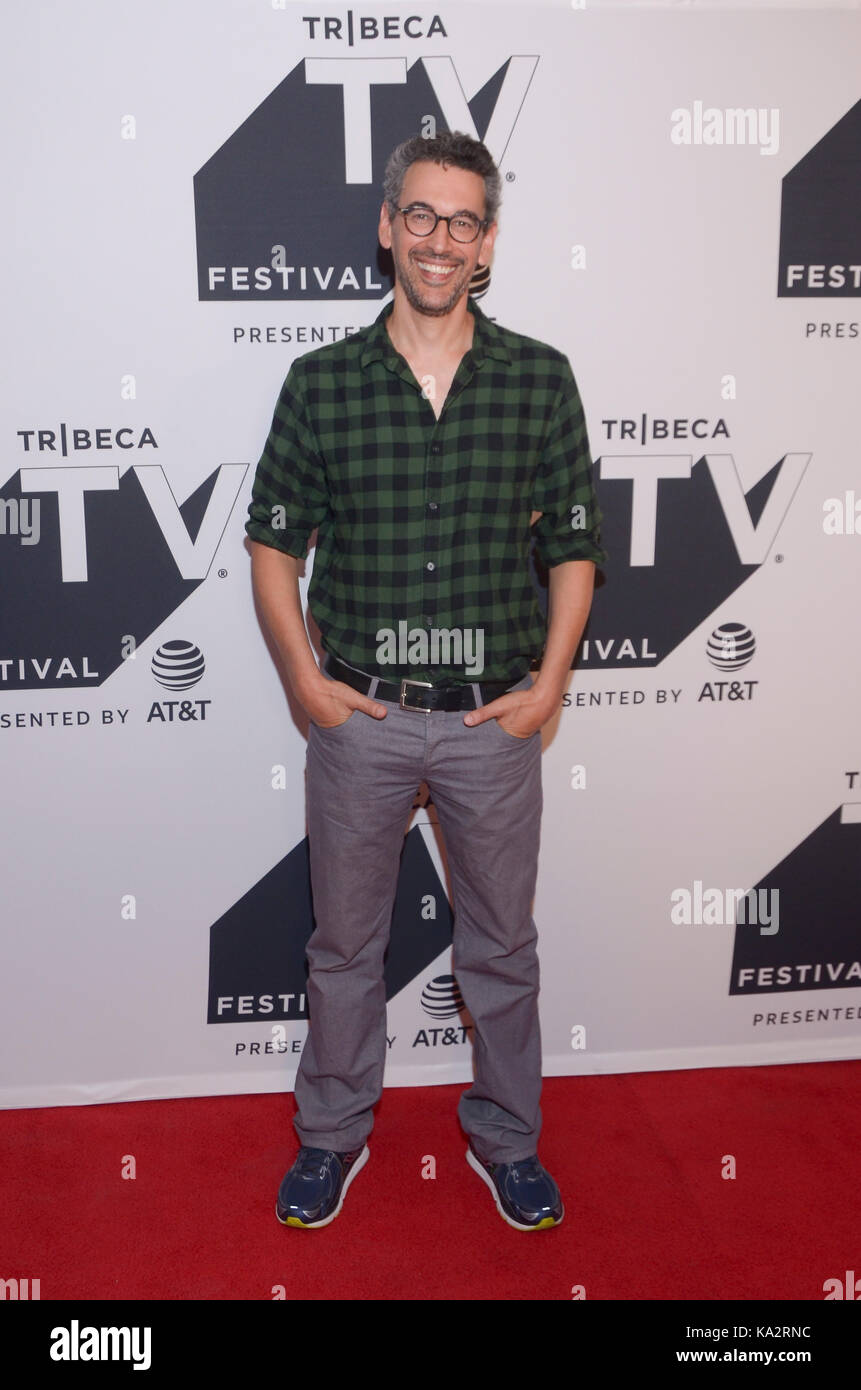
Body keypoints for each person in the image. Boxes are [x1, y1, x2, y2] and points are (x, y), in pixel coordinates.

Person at [245, 130, 606, 1232]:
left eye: (462, 221)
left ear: (487, 241)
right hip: (361, 715)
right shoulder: (321, 383)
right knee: (345, 946)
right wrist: (306, 682)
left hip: (495, 724)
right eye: (420, 215)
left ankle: (506, 1137)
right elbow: (272, 546)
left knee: (499, 945)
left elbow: (577, 553)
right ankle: (331, 1137)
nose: (439, 240)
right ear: (387, 226)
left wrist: (548, 688)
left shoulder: (541, 378)